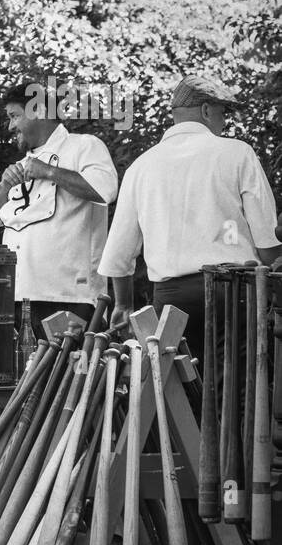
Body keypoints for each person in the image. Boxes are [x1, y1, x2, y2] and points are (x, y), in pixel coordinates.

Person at [99, 74, 281, 361]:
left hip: (171, 301)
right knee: (237, 395)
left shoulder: (141, 167)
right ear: (207, 111)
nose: (225, 123)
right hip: (232, 294)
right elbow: (267, 241)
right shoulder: (237, 153)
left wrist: (122, 304)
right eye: (223, 114)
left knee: (180, 393)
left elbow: (118, 257)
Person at [0, 80, 118, 336]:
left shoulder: (83, 146)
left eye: (14, 116)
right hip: (18, 299)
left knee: (67, 375)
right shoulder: (21, 165)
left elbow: (105, 189)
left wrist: (48, 171)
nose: (10, 126)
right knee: (23, 376)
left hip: (70, 298)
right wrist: (3, 188)